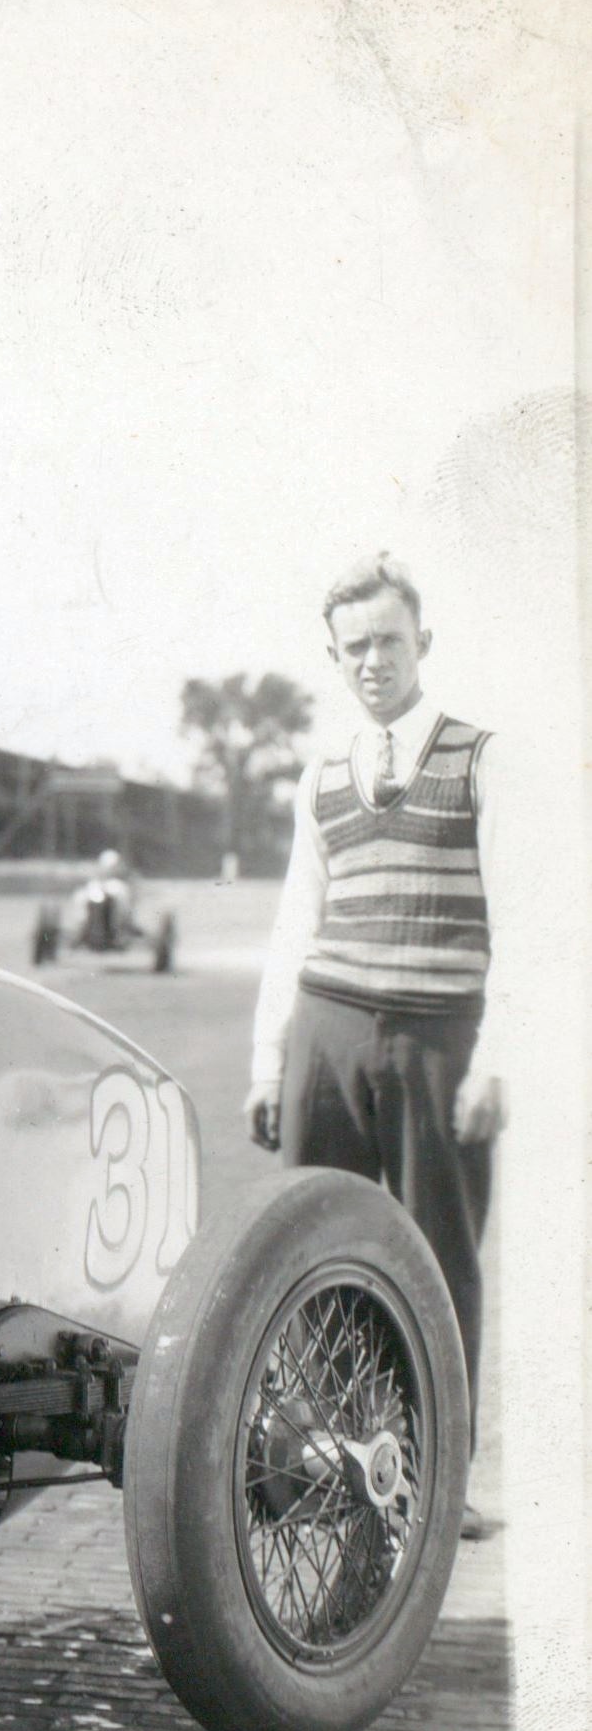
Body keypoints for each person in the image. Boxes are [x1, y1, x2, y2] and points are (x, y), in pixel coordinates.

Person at [249, 553, 504, 1534]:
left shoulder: (480, 759)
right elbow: (291, 923)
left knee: (439, 1255)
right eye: (354, 647)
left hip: (440, 1037)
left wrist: (496, 1061)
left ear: (422, 644)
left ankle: (439, 1481)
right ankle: (328, 1460)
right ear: (334, 657)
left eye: (389, 640)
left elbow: (525, 918)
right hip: (329, 1026)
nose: (372, 661)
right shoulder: (320, 777)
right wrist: (272, 1060)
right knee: (314, 1244)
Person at [79, 848, 134, 948]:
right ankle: (86, 931)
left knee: (121, 899)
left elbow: (126, 908)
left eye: (112, 866)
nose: (109, 869)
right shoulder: (94, 883)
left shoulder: (121, 886)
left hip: (115, 897)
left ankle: (117, 934)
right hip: (98, 893)